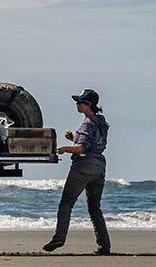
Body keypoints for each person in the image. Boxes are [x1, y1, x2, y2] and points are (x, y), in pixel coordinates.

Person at [43, 89, 111, 254]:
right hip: (99, 167)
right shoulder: (101, 121)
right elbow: (92, 143)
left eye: (80, 102)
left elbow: (82, 148)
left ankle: (59, 238)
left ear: (88, 105)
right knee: (95, 208)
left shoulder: (87, 123)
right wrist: (73, 137)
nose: (77, 104)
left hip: (84, 166)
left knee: (66, 203)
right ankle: (104, 246)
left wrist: (65, 148)